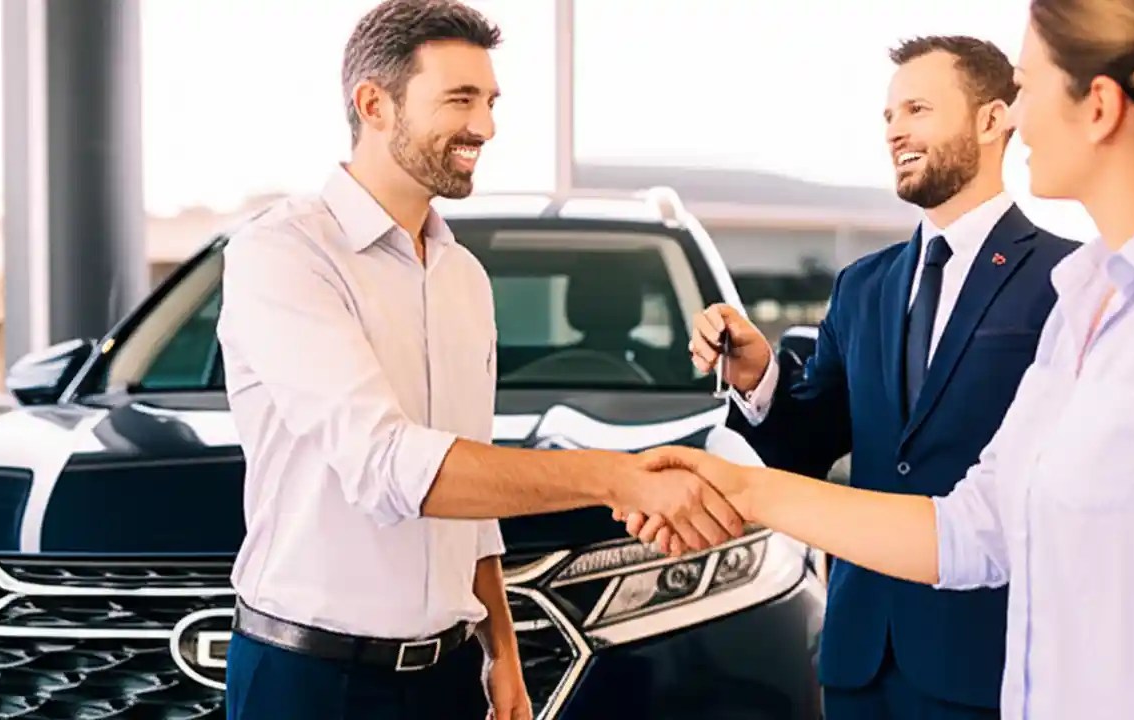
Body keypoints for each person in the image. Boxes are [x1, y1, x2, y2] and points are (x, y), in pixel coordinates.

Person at [633, 0, 1134, 717]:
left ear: (1101, 107)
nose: (1020, 113)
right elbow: (975, 528)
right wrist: (738, 488)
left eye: (1027, 83)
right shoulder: (1088, 296)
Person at [214, 2, 743, 719]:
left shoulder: (462, 276)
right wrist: (621, 477)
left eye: (490, 102)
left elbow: (468, 498)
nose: (486, 127)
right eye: (460, 99)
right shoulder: (284, 254)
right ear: (374, 103)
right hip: (312, 681)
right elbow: (391, 465)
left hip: (449, 676)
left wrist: (503, 653)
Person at [630, 35, 1079, 719]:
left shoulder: (1069, 280)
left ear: (994, 121)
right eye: (889, 115)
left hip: (992, 656)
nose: (896, 129)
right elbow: (809, 448)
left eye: (919, 109)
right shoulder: (864, 286)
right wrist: (758, 378)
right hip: (859, 658)